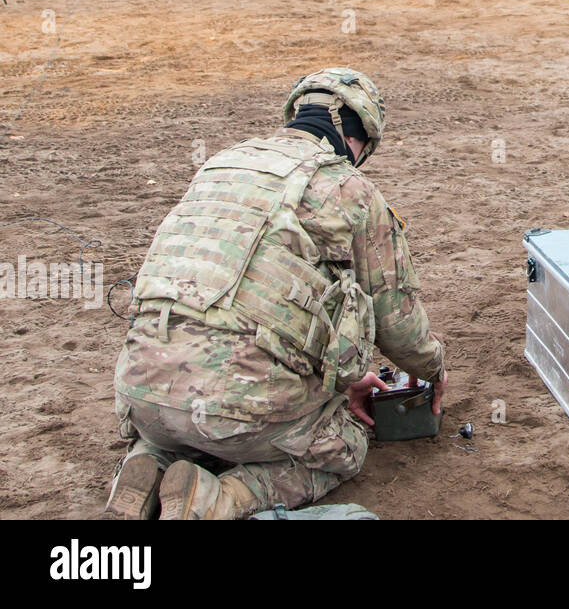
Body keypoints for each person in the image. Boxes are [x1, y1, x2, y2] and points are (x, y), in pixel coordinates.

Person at [105, 68, 448, 520]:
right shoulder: (352, 189)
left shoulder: (220, 165)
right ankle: (216, 503)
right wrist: (433, 367)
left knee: (184, 425)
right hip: (239, 409)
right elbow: (397, 323)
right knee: (341, 447)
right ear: (361, 135)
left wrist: (342, 380)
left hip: (141, 395)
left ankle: (147, 467)